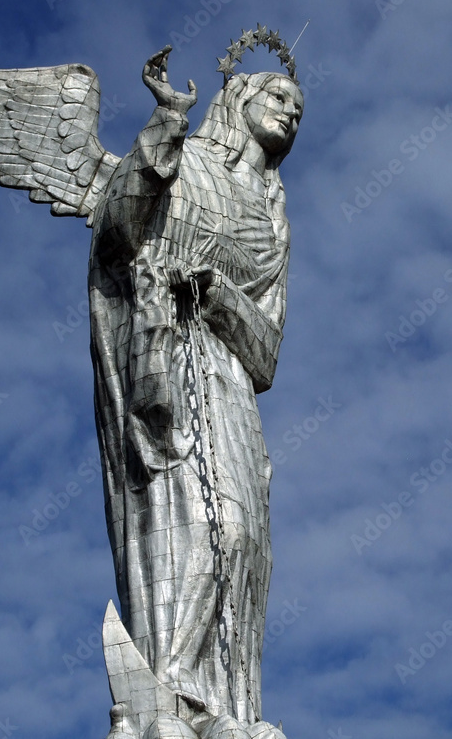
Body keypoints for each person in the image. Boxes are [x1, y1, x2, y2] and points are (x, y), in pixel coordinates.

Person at [88, 45, 304, 734]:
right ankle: (171, 689)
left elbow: (266, 354)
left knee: (245, 541)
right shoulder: (182, 160)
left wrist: (216, 295)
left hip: (229, 379)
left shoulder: (272, 223)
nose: (292, 113)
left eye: (300, 111)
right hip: (166, 364)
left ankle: (232, 710)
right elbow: (119, 229)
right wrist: (165, 123)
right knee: (196, 526)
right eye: (279, 98)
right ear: (239, 99)